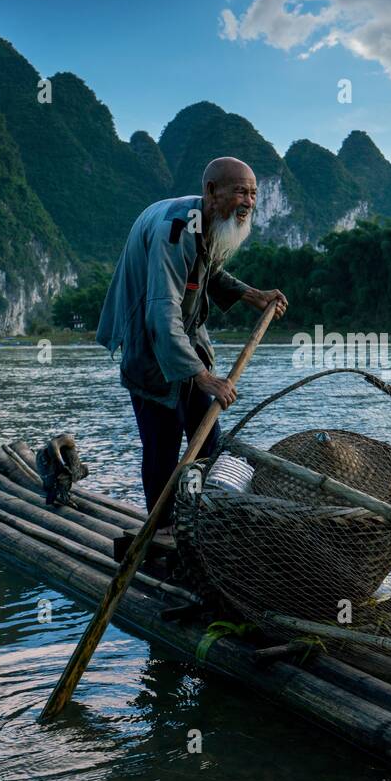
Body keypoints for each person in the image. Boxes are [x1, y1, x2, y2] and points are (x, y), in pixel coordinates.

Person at [96, 157, 288, 517]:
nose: (249, 201)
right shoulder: (178, 228)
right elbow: (161, 310)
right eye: (240, 192)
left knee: (208, 442)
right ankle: (162, 532)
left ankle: (202, 519)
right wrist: (204, 377)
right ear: (212, 192)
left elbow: (208, 270)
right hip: (151, 346)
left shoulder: (207, 221)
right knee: (162, 448)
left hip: (187, 341)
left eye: (253, 193)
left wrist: (254, 296)